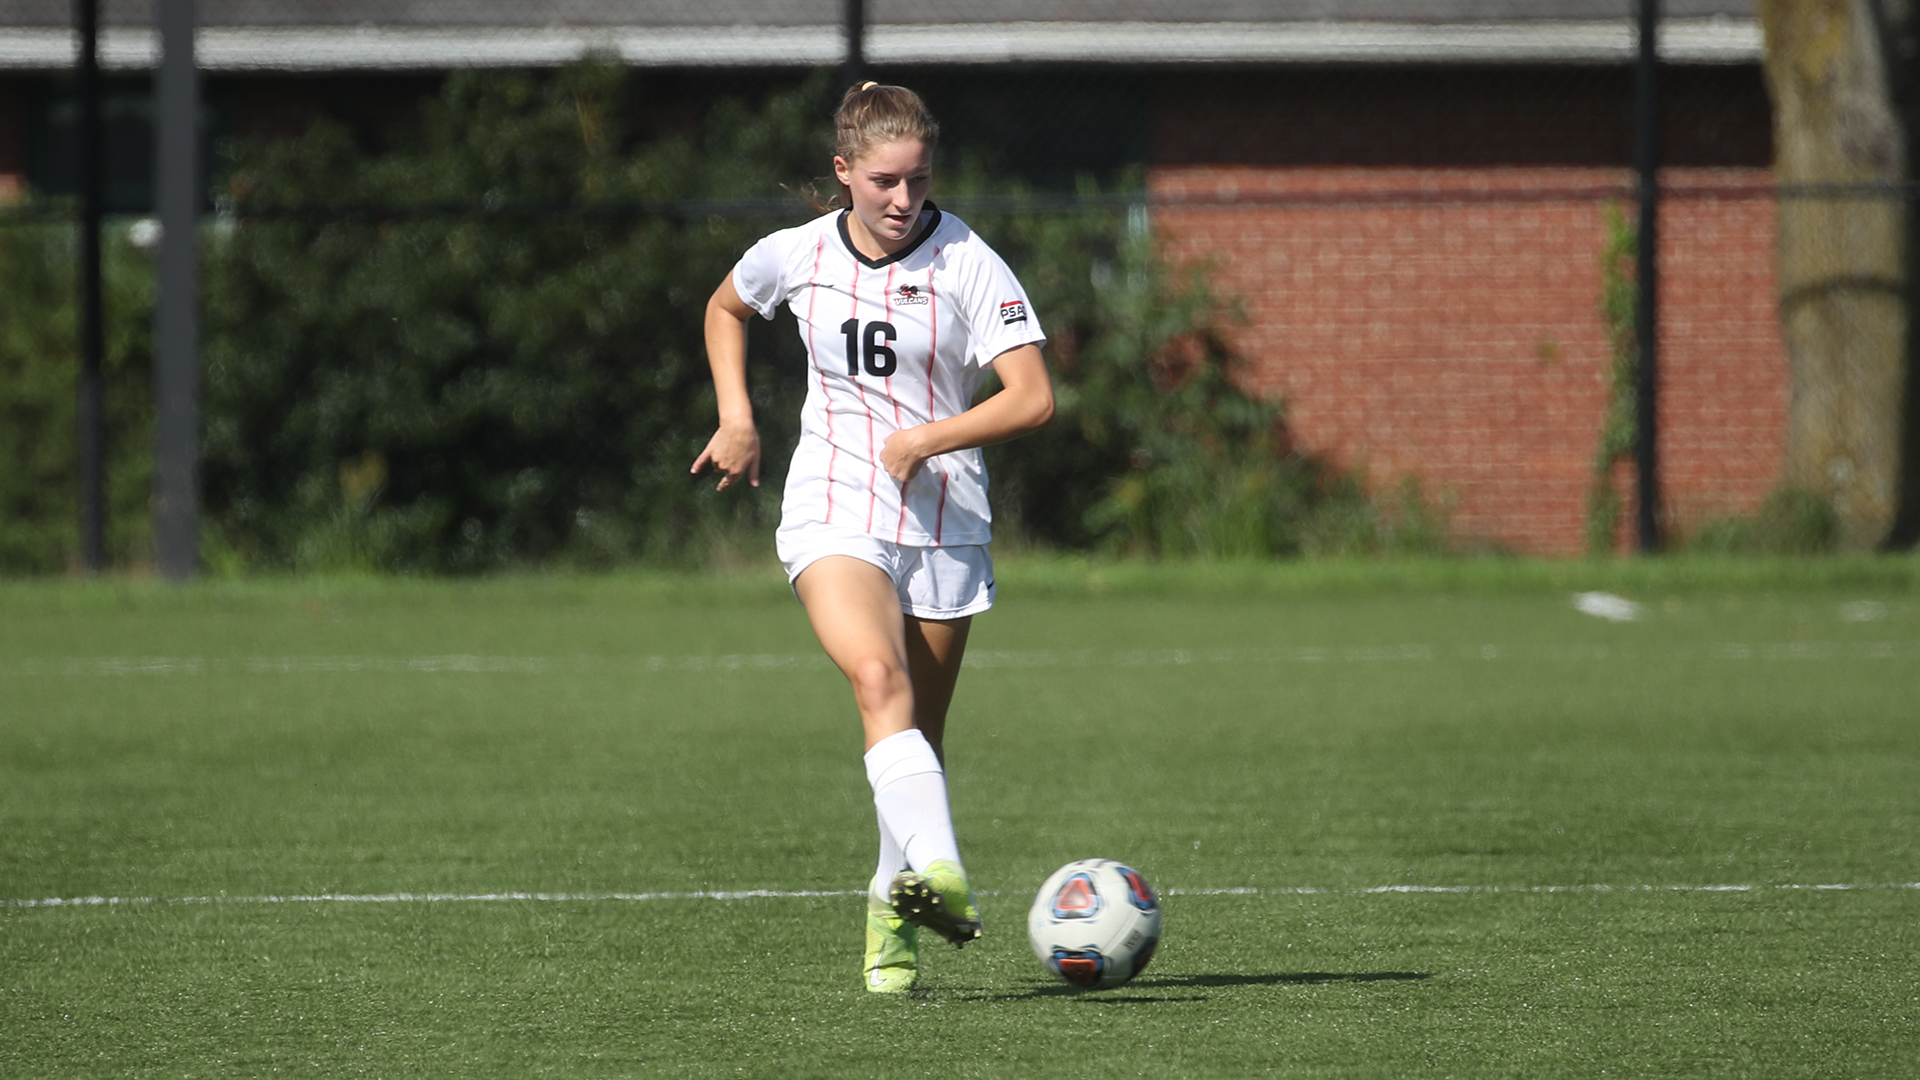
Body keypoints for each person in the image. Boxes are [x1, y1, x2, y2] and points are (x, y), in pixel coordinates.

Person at [691, 81, 1054, 993]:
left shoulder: (968, 259)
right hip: (834, 503)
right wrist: (737, 416)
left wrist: (929, 437)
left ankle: (891, 909)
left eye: (919, 181)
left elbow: (1032, 397)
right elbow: (725, 307)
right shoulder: (799, 254)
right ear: (845, 171)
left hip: (942, 522)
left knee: (917, 741)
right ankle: (941, 873)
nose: (904, 201)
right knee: (876, 677)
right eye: (885, 181)